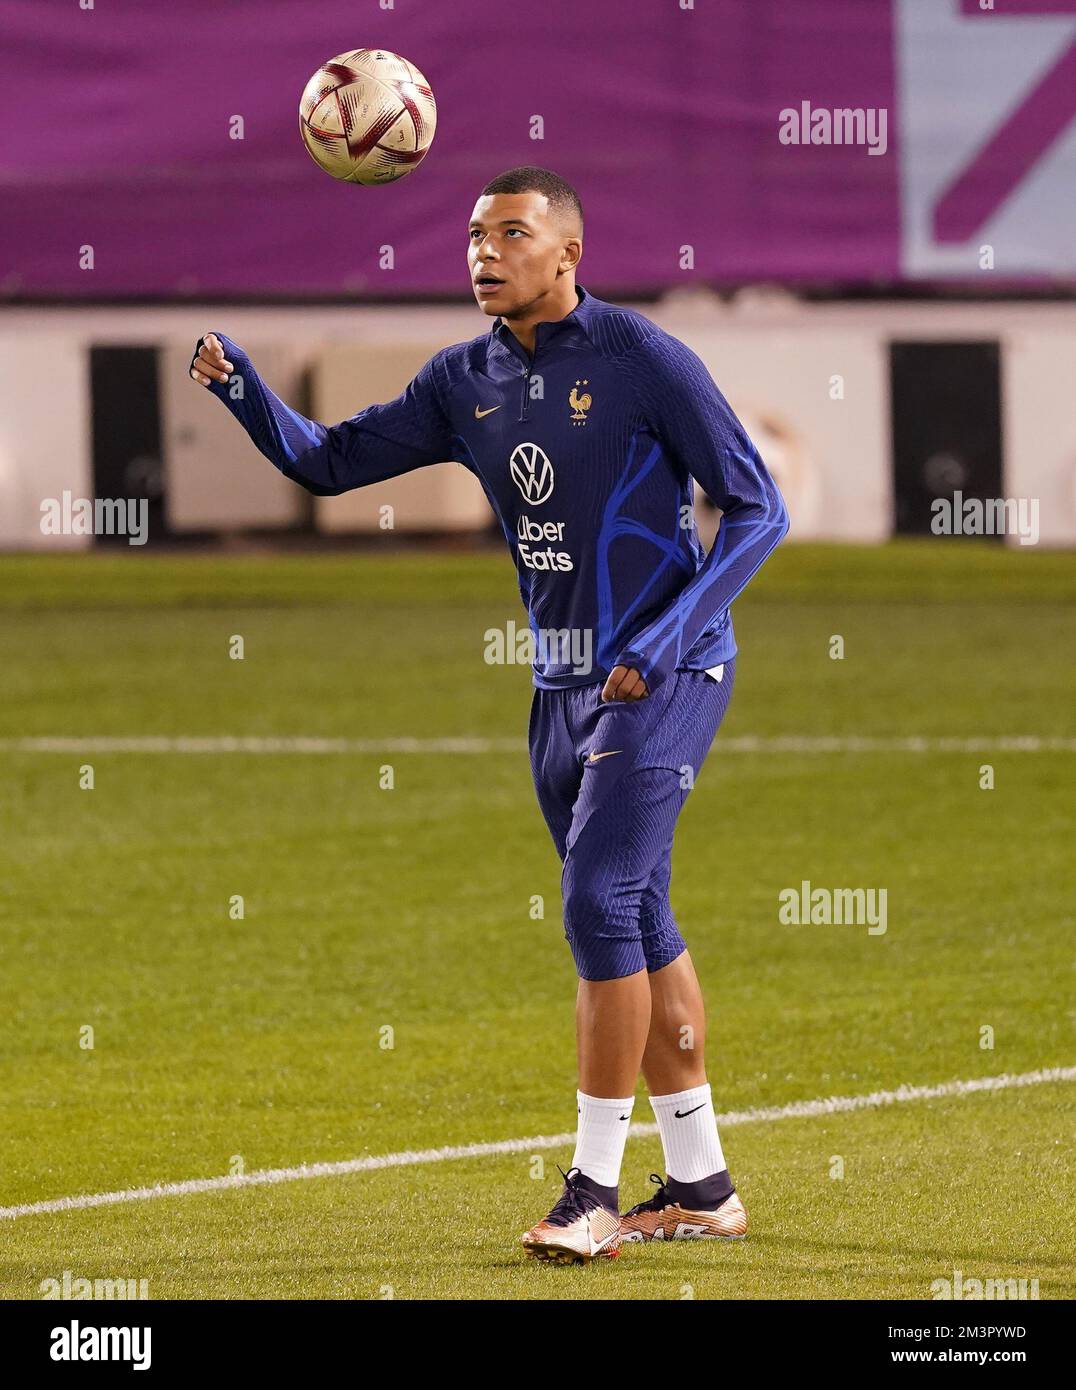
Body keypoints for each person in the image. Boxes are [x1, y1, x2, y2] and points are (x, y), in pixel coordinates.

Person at [190, 165, 789, 1264]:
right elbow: (328, 464)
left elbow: (758, 506)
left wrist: (663, 640)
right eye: (472, 234)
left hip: (665, 675)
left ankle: (591, 1192)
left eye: (510, 233)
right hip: (559, 679)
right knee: (638, 913)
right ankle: (700, 1183)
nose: (483, 251)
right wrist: (241, 393)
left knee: (598, 900)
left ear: (567, 252)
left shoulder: (644, 359)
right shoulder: (460, 380)